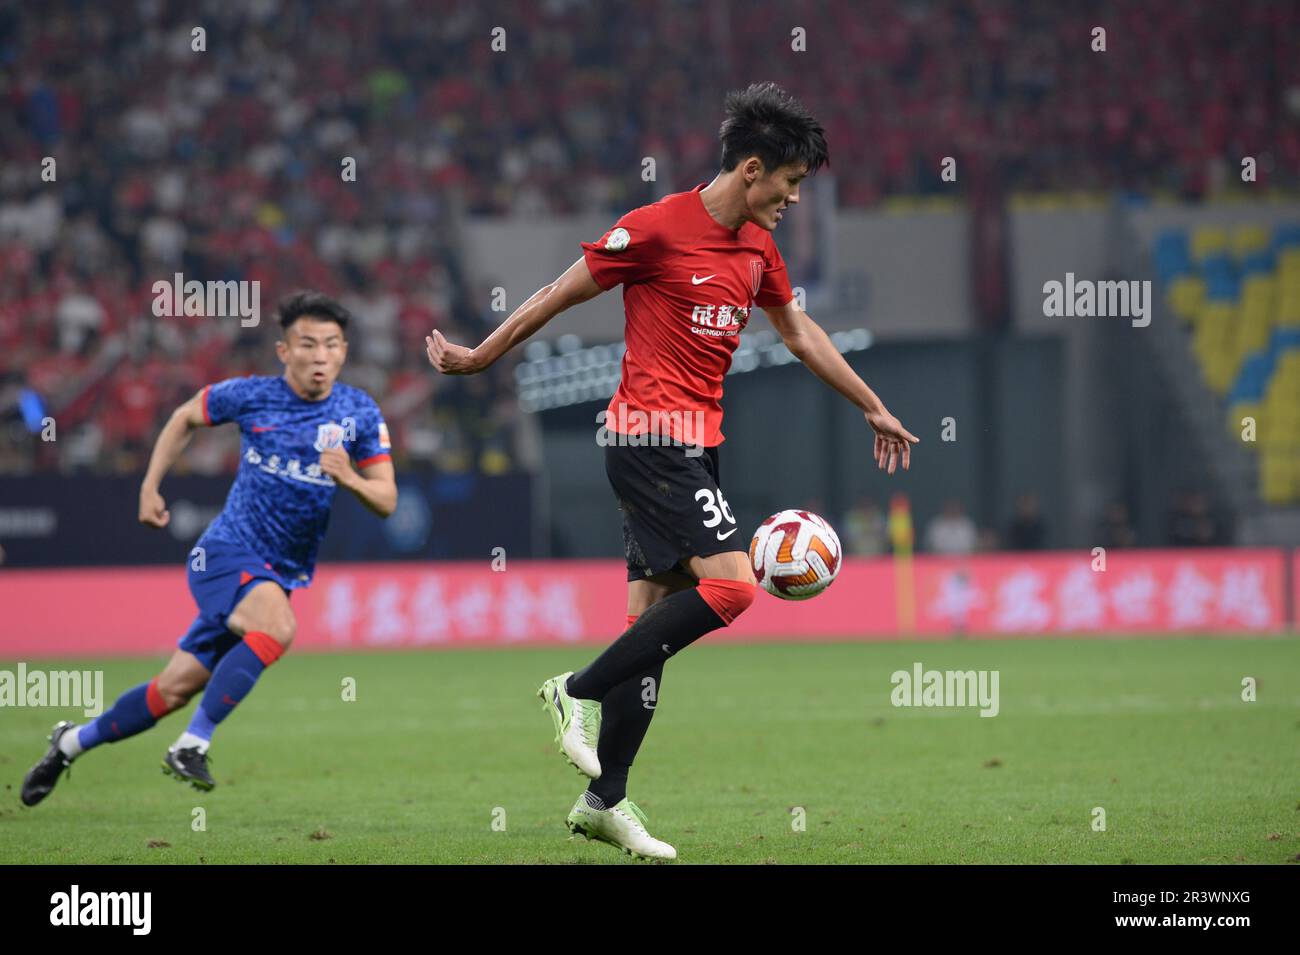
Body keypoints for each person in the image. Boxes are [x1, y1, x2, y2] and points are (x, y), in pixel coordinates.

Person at [425, 83, 917, 859]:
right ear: (753, 170)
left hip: (696, 445)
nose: (793, 199)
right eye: (789, 184)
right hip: (648, 436)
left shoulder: (758, 248)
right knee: (733, 585)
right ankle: (573, 690)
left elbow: (798, 332)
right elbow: (559, 291)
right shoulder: (654, 231)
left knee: (648, 626)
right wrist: (483, 354)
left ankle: (604, 797)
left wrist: (871, 403)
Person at [22, 293, 397, 804]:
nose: (320, 356)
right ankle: (192, 745)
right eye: (307, 344)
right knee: (278, 626)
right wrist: (150, 486)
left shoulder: (359, 411)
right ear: (284, 351)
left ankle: (70, 741)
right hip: (224, 553)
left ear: (344, 352)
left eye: (331, 345)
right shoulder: (252, 395)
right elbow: (183, 418)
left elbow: (387, 500)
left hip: (278, 572)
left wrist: (349, 478)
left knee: (172, 691)